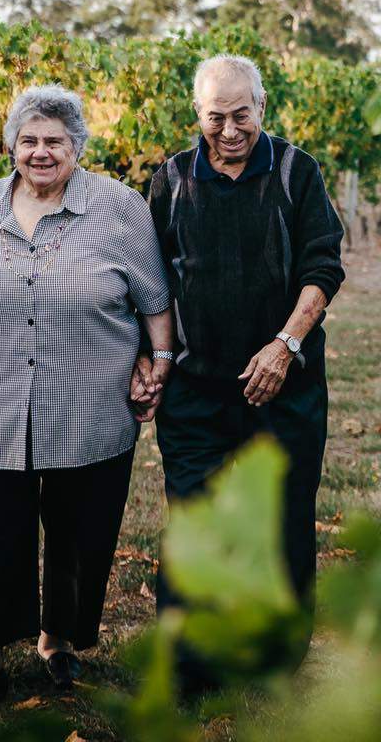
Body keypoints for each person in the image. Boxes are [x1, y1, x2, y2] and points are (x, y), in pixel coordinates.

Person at [0, 84, 175, 705]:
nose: (40, 152)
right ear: (11, 145)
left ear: (78, 147)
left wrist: (160, 359)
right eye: (28, 140)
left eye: (54, 141)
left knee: (78, 528)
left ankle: (57, 641)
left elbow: (155, 299)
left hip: (87, 402)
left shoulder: (119, 209)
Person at [136, 53, 345, 692]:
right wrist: (154, 357)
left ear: (262, 107)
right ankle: (189, 665)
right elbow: (152, 282)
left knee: (283, 523)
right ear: (198, 115)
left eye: (241, 115)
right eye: (215, 117)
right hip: (196, 390)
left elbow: (323, 267)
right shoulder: (170, 181)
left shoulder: (295, 172)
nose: (229, 130)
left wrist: (285, 344)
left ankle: (275, 659)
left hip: (285, 388)